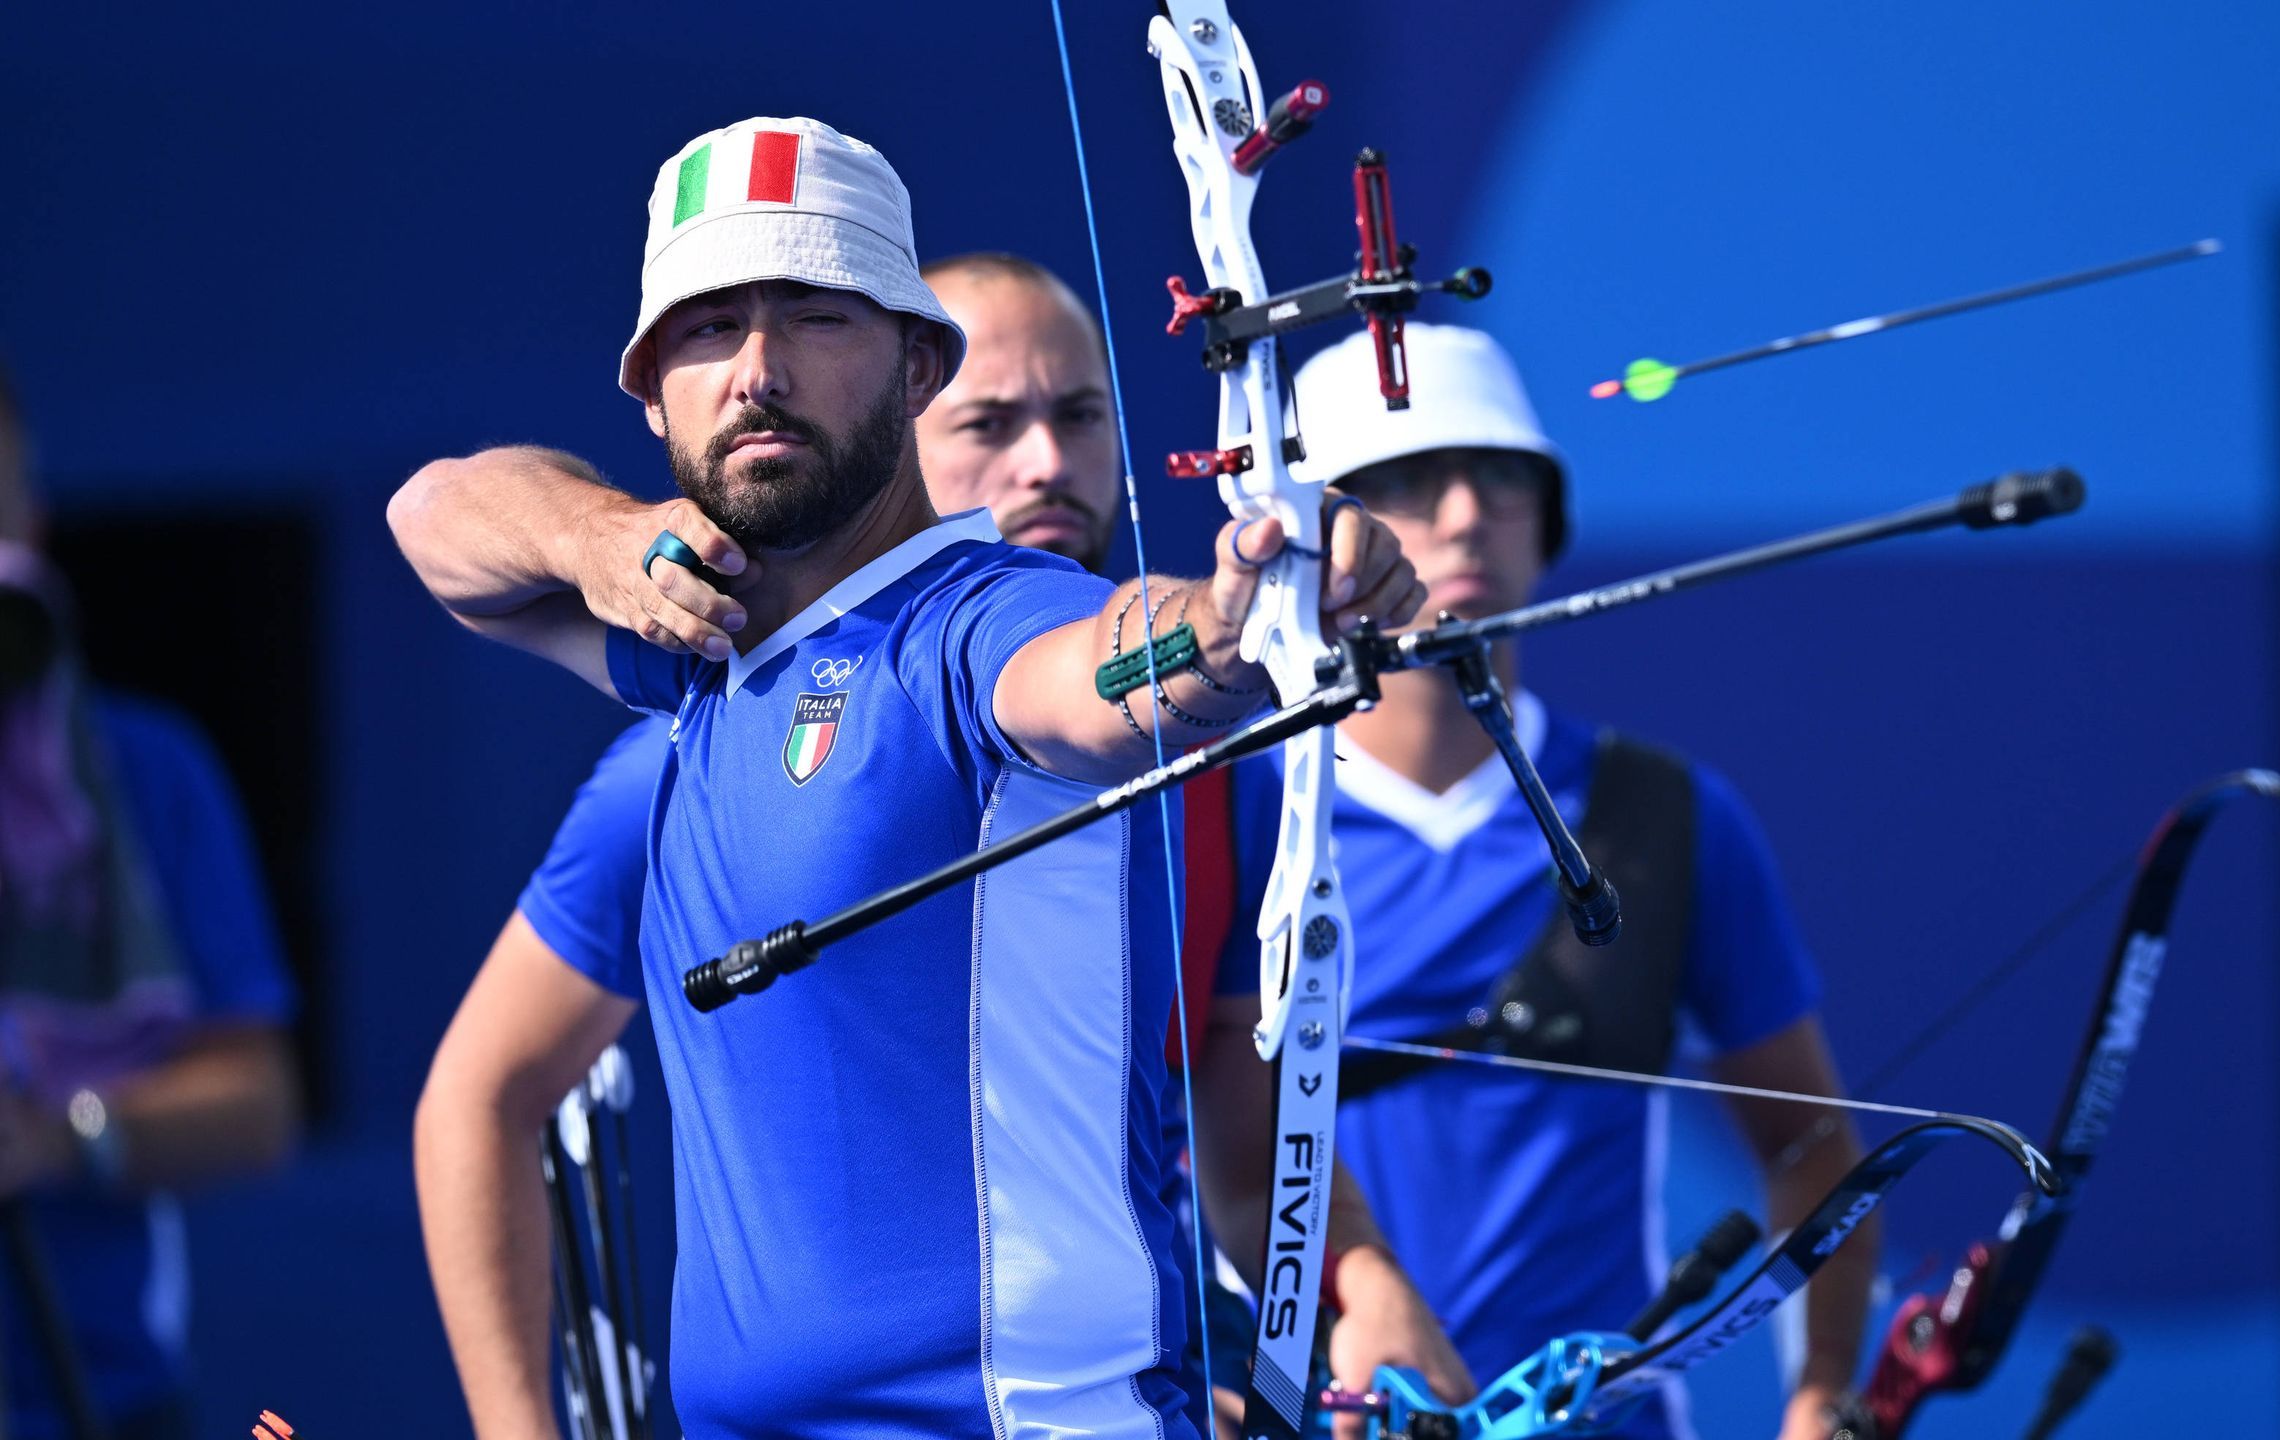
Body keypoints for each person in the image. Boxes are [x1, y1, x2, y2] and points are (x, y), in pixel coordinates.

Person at [394, 117, 1436, 1440]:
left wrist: (1243, 618)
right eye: (710, 330)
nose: (759, 371)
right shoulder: (691, 656)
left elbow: (1104, 674)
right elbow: (431, 516)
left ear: (916, 365)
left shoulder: (977, 624)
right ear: (652, 392)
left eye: (817, 317)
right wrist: (601, 536)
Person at [1204, 324, 1878, 1440]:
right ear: (1311, 534)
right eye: (1408, 483)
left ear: (1547, 521)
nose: (1466, 515)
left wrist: (1822, 1395)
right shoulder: (1222, 819)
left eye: (1502, 479)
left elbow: (1813, 1151)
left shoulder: (1667, 816)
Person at [0, 368, 301, 1438]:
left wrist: (56, 1137)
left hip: (107, 1399)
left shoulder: (152, 771)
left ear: (30, 523)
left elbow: (259, 1105)